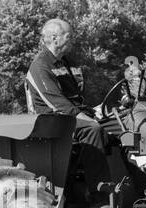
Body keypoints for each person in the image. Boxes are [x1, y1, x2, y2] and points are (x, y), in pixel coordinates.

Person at [25, 19, 106, 152]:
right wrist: (90, 120)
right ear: (55, 38)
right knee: (93, 129)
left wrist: (95, 112)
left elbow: (77, 98)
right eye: (69, 37)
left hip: (70, 118)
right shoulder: (40, 66)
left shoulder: (68, 63)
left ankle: (137, 172)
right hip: (51, 122)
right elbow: (59, 106)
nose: (73, 40)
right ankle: (98, 174)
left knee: (121, 125)